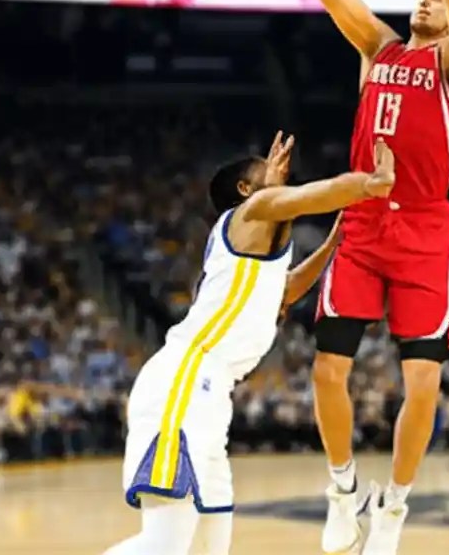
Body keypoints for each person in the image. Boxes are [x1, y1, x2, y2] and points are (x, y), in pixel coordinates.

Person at [310, 0, 449, 553]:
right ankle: (345, 488)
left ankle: (395, 508)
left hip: (422, 231)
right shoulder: (378, 49)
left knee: (422, 386)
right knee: (329, 368)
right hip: (360, 220)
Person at [105, 133, 397, 555]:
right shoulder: (250, 211)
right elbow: (311, 196)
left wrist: (334, 243)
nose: (280, 169)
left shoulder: (256, 253)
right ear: (245, 189)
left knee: (213, 545)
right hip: (185, 380)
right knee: (164, 544)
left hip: (211, 391)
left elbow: (286, 291)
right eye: (267, 168)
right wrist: (369, 182)